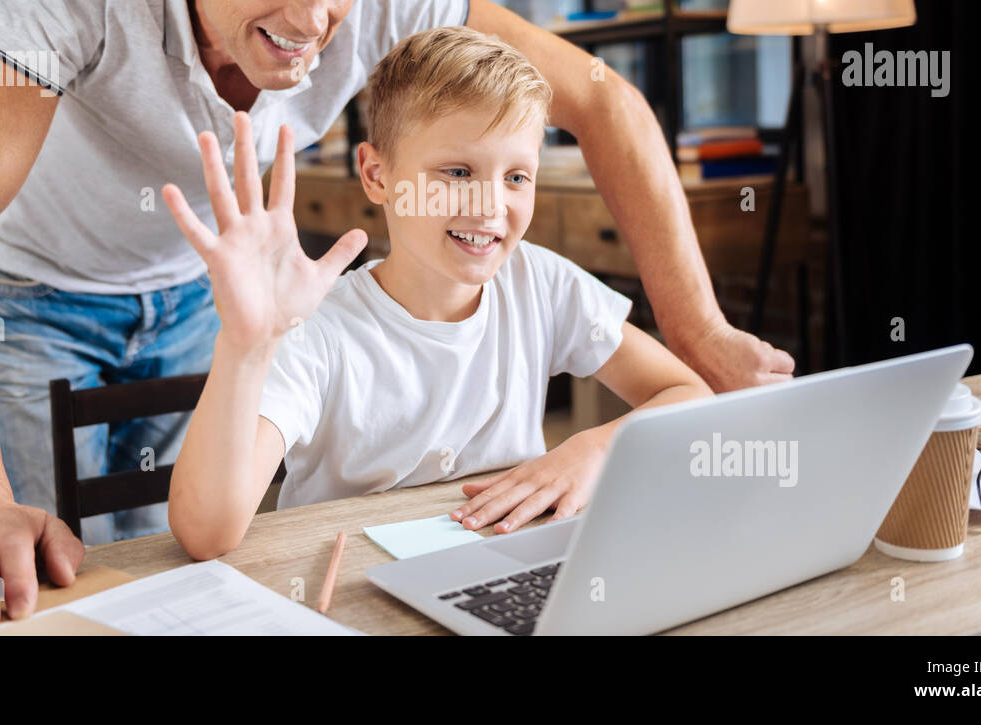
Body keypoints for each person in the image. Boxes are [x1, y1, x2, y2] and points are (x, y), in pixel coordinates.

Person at [0, 0, 792, 633]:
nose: (316, 14)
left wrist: (699, 332)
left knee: (168, 583)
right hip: (27, 299)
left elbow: (602, 96)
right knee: (32, 589)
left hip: (199, 291)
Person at [165, 27, 714, 558]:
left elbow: (688, 394)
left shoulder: (540, 282)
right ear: (377, 175)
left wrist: (596, 449)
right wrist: (247, 344)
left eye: (517, 177)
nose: (490, 206)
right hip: (357, 586)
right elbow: (206, 533)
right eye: (457, 171)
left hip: (506, 562)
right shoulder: (318, 329)